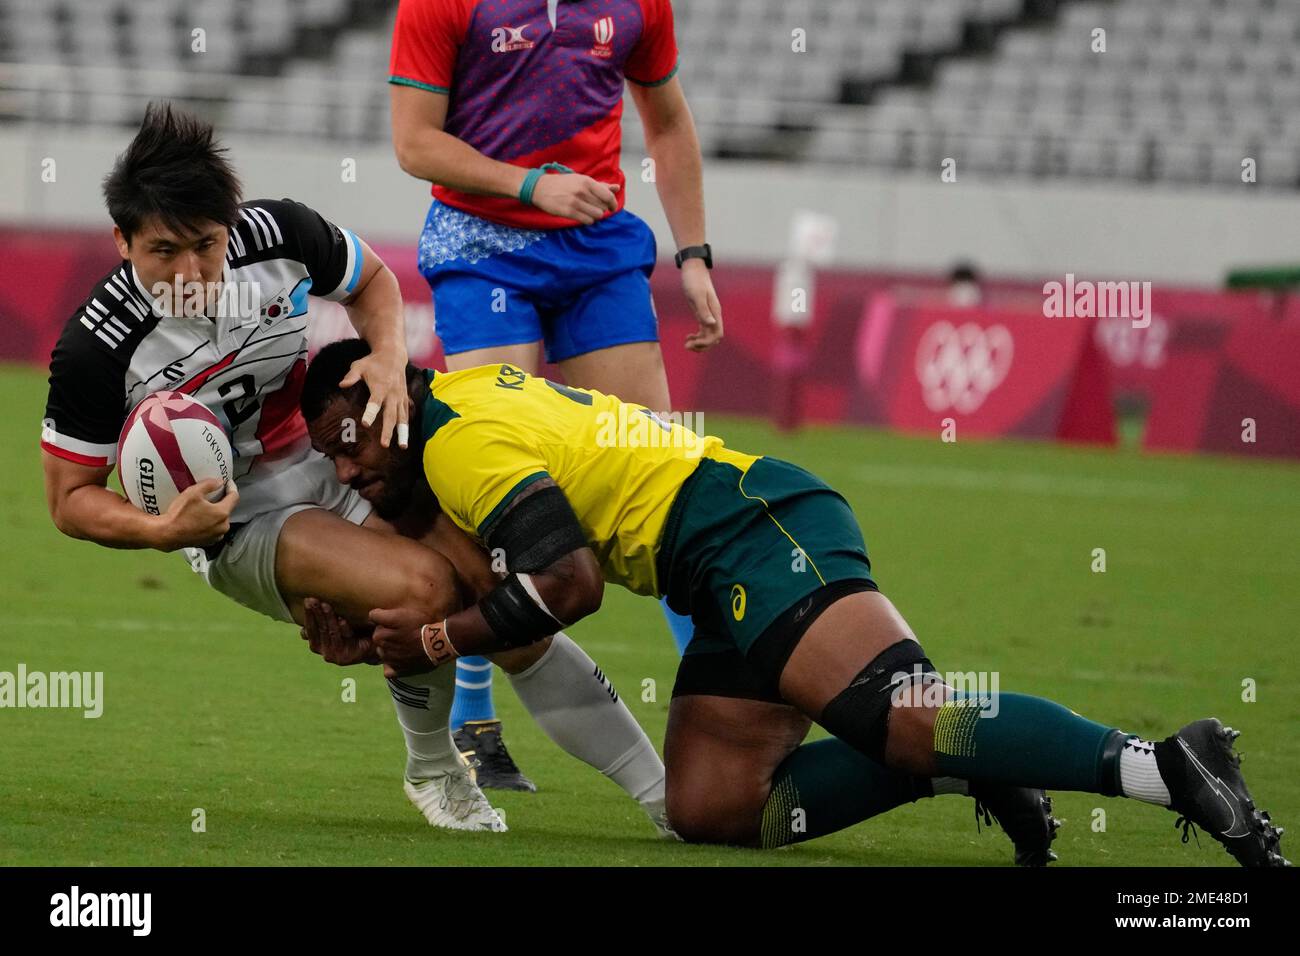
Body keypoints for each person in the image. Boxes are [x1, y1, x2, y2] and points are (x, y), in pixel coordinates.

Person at [300, 342, 1289, 866]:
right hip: (708, 561)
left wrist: (434, 631)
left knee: (899, 715)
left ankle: (1163, 764)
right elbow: (476, 572)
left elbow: (568, 586)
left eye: (353, 436)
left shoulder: (457, 442)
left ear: (391, 393)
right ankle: (977, 768)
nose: (348, 464)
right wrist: (371, 623)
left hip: (750, 520)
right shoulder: (443, 424)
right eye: (329, 452)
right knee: (715, 808)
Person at [39, 103, 669, 834]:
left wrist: (389, 357)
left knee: (506, 600)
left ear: (232, 221)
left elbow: (373, 284)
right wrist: (162, 529)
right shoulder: (97, 347)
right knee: (425, 590)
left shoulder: (280, 235)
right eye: (163, 252)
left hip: (328, 459)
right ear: (121, 240)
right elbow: (69, 499)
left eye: (205, 247)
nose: (189, 275)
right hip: (236, 519)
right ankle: (436, 771)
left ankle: (666, 799)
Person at [387, 0, 722, 777]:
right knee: (489, 474)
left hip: (596, 249)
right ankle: (474, 720)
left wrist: (695, 255)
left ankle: (716, 700)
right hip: (482, 244)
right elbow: (414, 143)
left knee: (663, 470)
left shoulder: (640, 6)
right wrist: (530, 186)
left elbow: (667, 125)